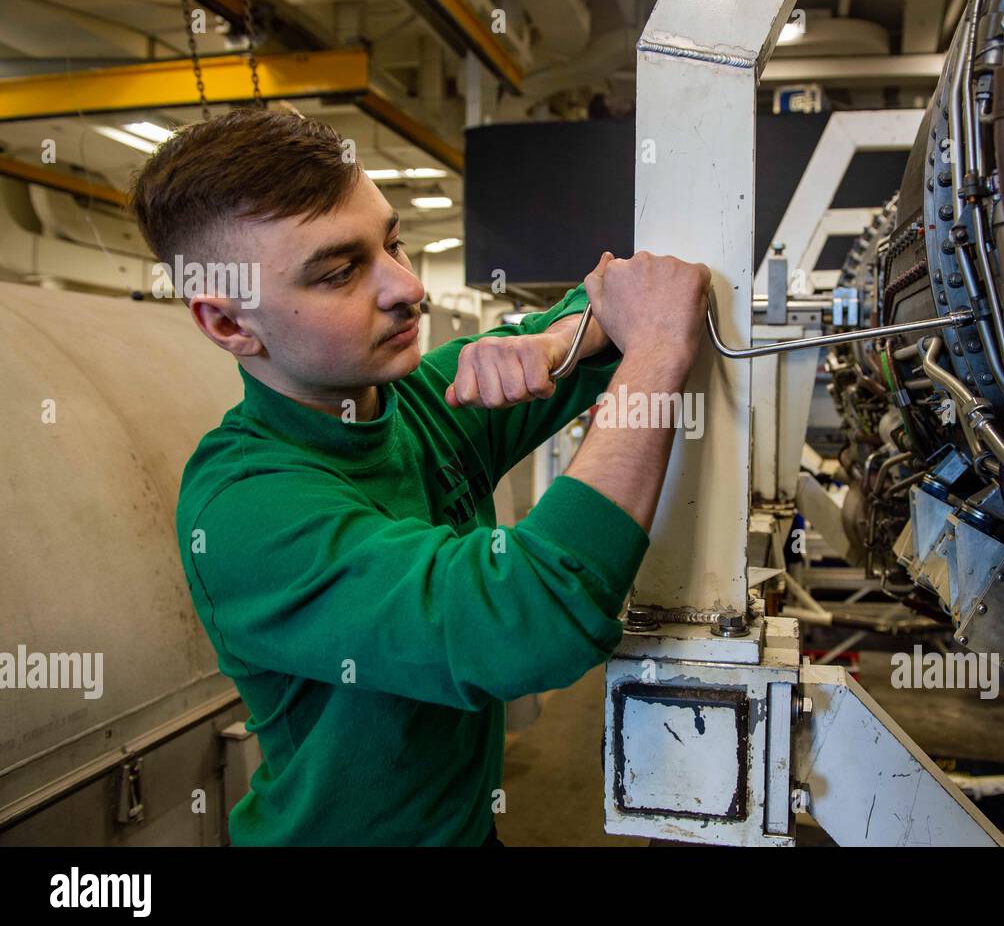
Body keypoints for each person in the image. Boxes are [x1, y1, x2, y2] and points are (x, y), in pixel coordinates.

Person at [128, 107, 709, 845]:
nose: (406, 286)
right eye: (340, 271)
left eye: (392, 241)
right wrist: (656, 357)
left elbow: (603, 308)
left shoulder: (417, 402)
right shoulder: (247, 510)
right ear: (229, 324)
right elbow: (530, 617)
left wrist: (562, 338)